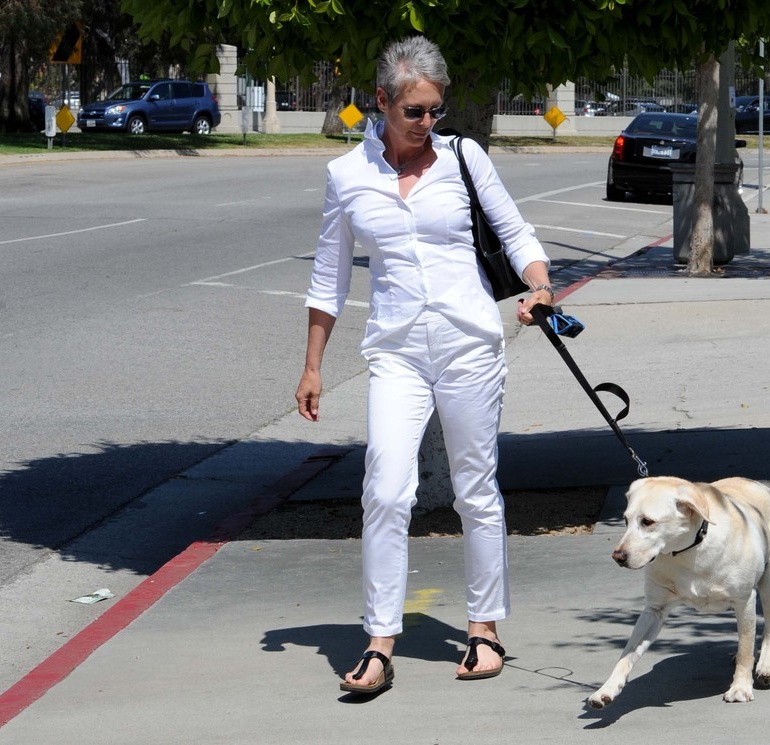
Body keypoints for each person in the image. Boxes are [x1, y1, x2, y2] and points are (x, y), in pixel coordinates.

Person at [295, 35, 554, 694]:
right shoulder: (347, 176)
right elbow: (328, 278)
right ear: (381, 101)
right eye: (414, 111)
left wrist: (540, 287)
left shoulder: (463, 158)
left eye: (436, 109)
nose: (427, 122)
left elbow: (516, 232)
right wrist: (313, 366)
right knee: (385, 489)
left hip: (469, 344)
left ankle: (484, 629)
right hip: (397, 351)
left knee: (475, 489)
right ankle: (379, 642)